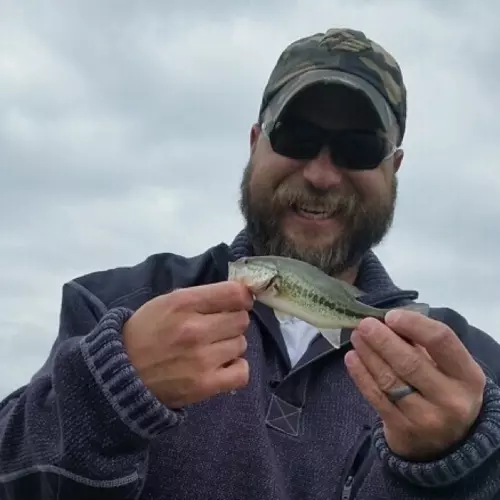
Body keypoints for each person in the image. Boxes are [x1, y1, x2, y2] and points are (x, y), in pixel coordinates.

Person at [0, 27, 499, 500]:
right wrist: (106, 394)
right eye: (296, 136)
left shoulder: (472, 372)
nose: (322, 175)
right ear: (255, 141)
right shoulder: (116, 309)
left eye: (359, 149)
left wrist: (464, 464)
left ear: (395, 168)